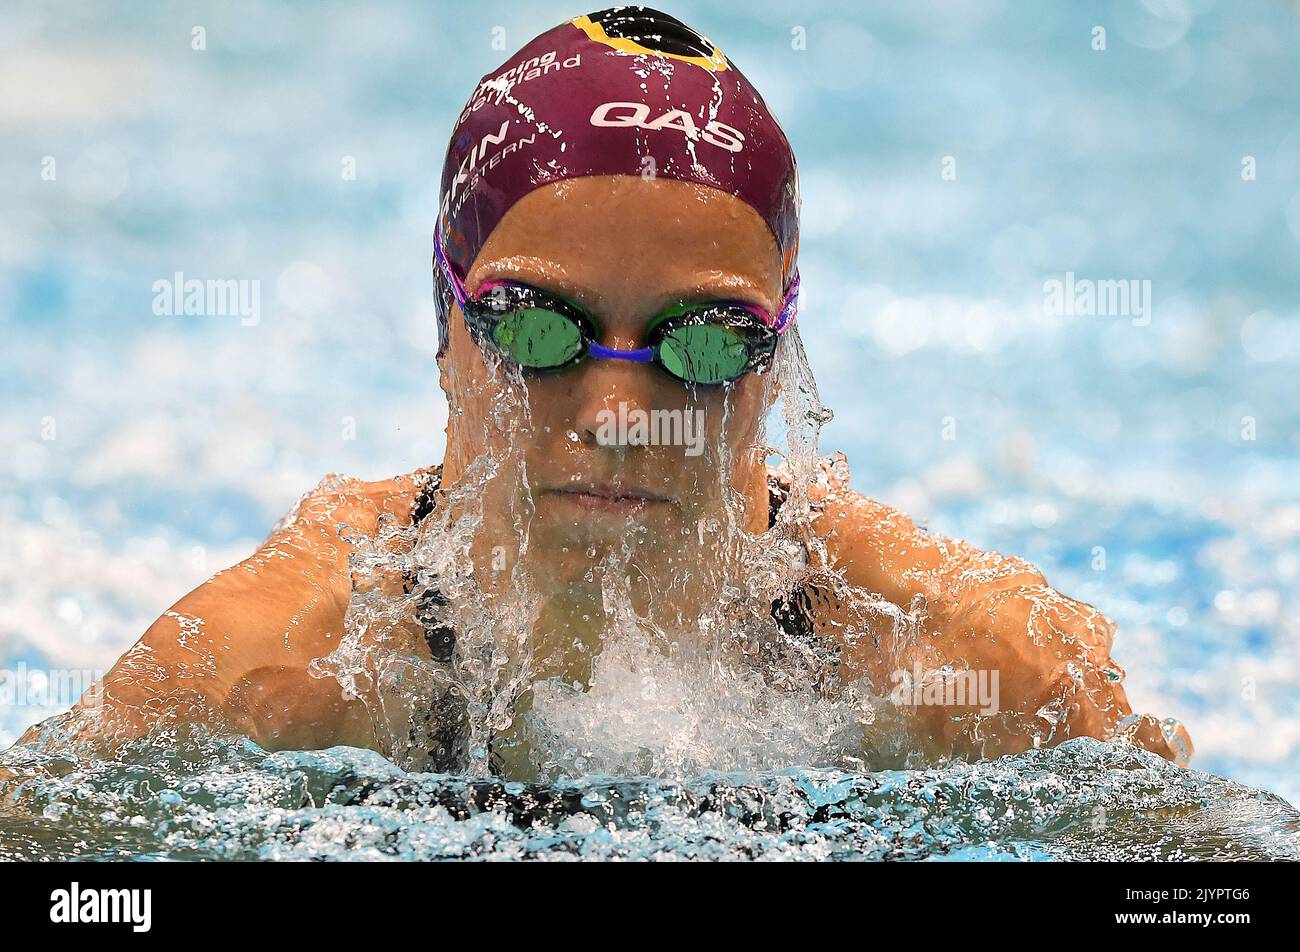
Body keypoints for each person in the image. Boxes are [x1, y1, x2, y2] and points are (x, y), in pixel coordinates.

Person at [22, 7, 1191, 771]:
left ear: (778, 356)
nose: (618, 413)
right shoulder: (261, 677)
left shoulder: (964, 672)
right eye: (536, 330)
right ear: (445, 331)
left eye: (704, 340)